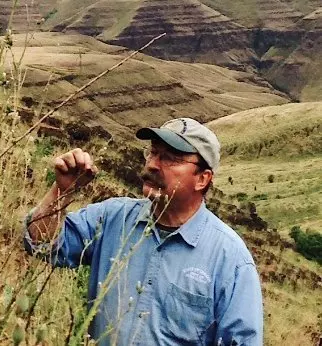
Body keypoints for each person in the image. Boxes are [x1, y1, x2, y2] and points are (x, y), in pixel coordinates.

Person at [25, 118, 263, 346]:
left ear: (202, 179)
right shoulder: (112, 218)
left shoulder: (230, 259)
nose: (152, 164)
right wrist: (62, 191)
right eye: (153, 153)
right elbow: (41, 244)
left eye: (170, 158)